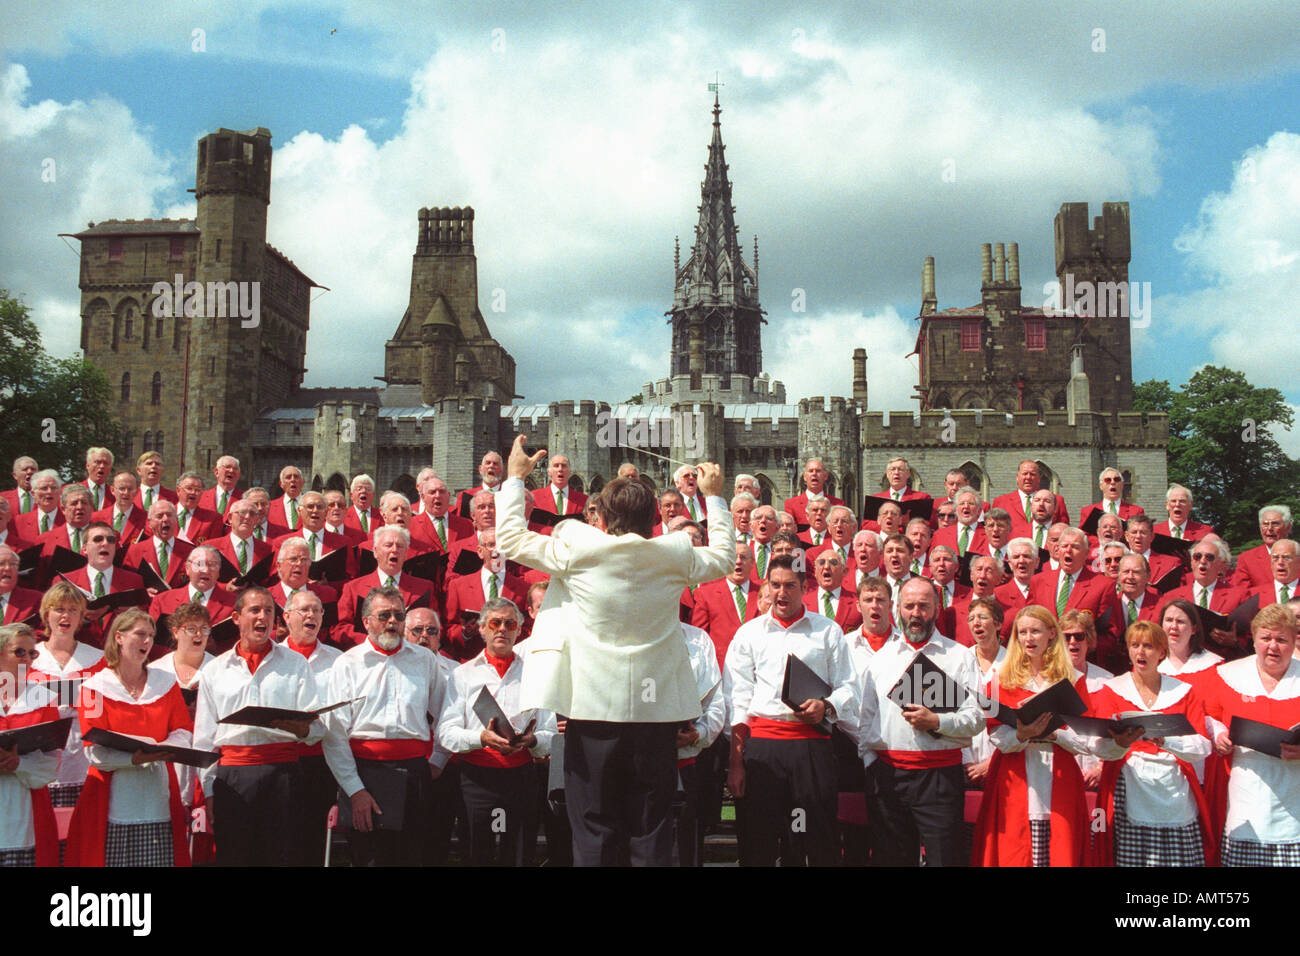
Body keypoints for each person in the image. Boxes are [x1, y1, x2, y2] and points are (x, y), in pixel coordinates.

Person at [498, 435, 733, 866]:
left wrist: (515, 479)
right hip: (655, 717)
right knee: (652, 831)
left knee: (593, 831)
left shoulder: (577, 546)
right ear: (652, 522)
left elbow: (511, 540)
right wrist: (714, 497)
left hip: (591, 716)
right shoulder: (673, 551)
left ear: (602, 520)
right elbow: (722, 557)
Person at [971, 604, 1140, 867]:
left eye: (1035, 631)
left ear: (1051, 633)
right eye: (1022, 632)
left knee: (1061, 853)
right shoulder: (1000, 678)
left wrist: (1055, 736)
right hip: (1014, 777)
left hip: (1059, 777)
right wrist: (1023, 734)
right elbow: (997, 737)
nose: (1028, 638)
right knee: (1014, 853)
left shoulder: (1072, 679)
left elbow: (1085, 740)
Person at [725, 556, 855, 866]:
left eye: (790, 586)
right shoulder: (750, 633)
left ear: (805, 588)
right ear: (767, 587)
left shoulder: (828, 631)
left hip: (812, 746)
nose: (781, 593)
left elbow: (850, 687)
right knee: (760, 838)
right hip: (763, 749)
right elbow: (737, 699)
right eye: (775, 585)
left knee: (816, 835)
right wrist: (735, 763)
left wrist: (826, 705)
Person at [856, 576, 984, 866]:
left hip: (939, 778)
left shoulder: (959, 657)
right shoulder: (881, 658)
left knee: (944, 859)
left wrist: (937, 721)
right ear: (898, 608)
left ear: (937, 609)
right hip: (888, 777)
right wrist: (870, 763)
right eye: (909, 606)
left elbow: (976, 719)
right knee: (892, 859)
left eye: (923, 606)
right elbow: (866, 720)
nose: (916, 614)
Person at [193, 587, 321, 866]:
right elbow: (204, 740)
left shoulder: (296, 664)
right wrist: (209, 791)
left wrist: (300, 728)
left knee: (282, 856)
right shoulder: (215, 670)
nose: (262, 617)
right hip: (233, 777)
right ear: (237, 617)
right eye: (255, 610)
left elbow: (317, 727)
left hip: (283, 773)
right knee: (235, 856)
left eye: (268, 611)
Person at [323, 586, 447, 866]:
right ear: (366, 621)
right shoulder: (347, 664)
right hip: (366, 773)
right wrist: (355, 790)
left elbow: (446, 714)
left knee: (414, 857)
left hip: (416, 773)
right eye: (384, 615)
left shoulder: (425, 659)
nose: (392, 622)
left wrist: (439, 758)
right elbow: (334, 734)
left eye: (398, 615)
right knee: (369, 858)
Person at [64, 610, 193, 866]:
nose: (147, 642)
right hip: (112, 797)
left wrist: (162, 748)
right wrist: (133, 758)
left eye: (151, 636)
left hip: (156, 793)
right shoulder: (93, 688)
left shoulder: (166, 682)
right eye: (140, 634)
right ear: (119, 637)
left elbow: (183, 731)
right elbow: (93, 750)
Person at [437, 597, 554, 866]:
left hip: (521, 778)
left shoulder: (536, 674)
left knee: (518, 854)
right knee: (477, 854)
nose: (502, 628)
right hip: (477, 780)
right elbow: (446, 733)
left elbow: (550, 735)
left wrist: (532, 740)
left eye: (509, 623)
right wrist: (480, 738)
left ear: (519, 630)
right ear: (482, 628)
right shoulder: (462, 675)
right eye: (495, 622)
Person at [1092, 621, 1214, 866]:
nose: (1140, 652)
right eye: (1134, 645)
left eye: (1148, 646)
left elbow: (1203, 746)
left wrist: (1166, 741)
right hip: (1128, 785)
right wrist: (1120, 744)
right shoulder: (1112, 690)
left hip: (1173, 787)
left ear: (1161, 652)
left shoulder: (1184, 691)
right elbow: (1099, 746)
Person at [1202, 604, 1300, 865]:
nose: (1273, 647)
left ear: (1293, 641)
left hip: (1294, 799)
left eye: (1281, 639)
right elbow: (1208, 717)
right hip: (1245, 795)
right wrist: (1219, 734)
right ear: (1254, 640)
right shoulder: (1227, 675)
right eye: (1266, 638)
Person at [279, 588, 342, 866]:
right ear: (287, 616)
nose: (311, 615)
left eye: (317, 610)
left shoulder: (338, 660)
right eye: (304, 610)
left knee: (314, 842)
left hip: (320, 763)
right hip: (279, 762)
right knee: (281, 841)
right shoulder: (273, 657)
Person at [30, 582, 104, 808]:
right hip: (39, 758)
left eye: (73, 610)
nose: (66, 616)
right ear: (46, 614)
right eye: (59, 609)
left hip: (83, 758)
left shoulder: (98, 659)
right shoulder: (29, 657)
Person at [0, 623, 60, 866]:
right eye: (19, 652)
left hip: (25, 809)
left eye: (32, 653)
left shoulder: (43, 699)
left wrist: (18, 763)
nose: (27, 658)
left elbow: (52, 763)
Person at [961, 597, 1005, 789]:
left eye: (982, 617)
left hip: (1005, 761)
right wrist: (967, 762)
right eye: (971, 618)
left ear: (997, 624)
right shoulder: (960, 660)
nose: (976, 622)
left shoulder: (1014, 663)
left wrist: (993, 762)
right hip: (966, 764)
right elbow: (952, 711)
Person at [1157, 598, 1223, 695]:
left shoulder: (1215, 665)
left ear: (1194, 629)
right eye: (1169, 620)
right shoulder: (1151, 664)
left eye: (1180, 621)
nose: (1174, 626)